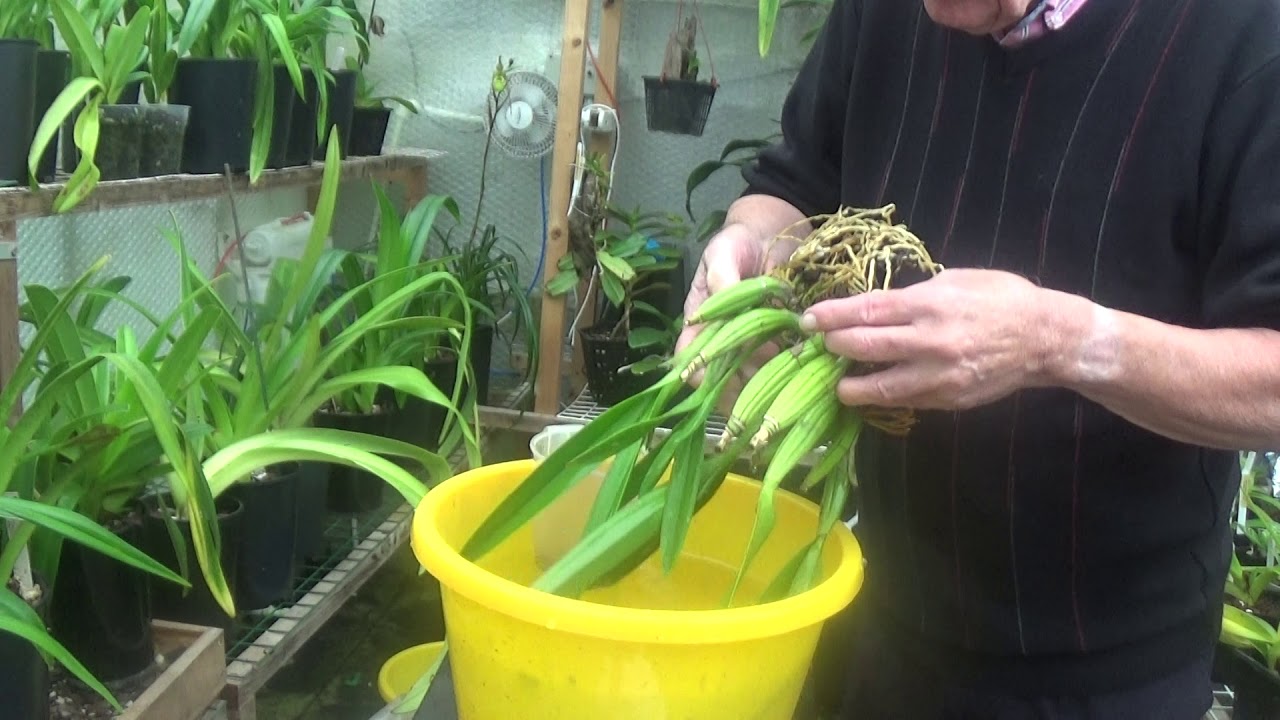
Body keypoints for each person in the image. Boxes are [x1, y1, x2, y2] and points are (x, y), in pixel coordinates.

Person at [677, 0, 1280, 717]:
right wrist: (749, 244)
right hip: (884, 620)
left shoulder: (1244, 34)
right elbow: (798, 180)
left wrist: (1058, 341)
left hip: (1106, 673)